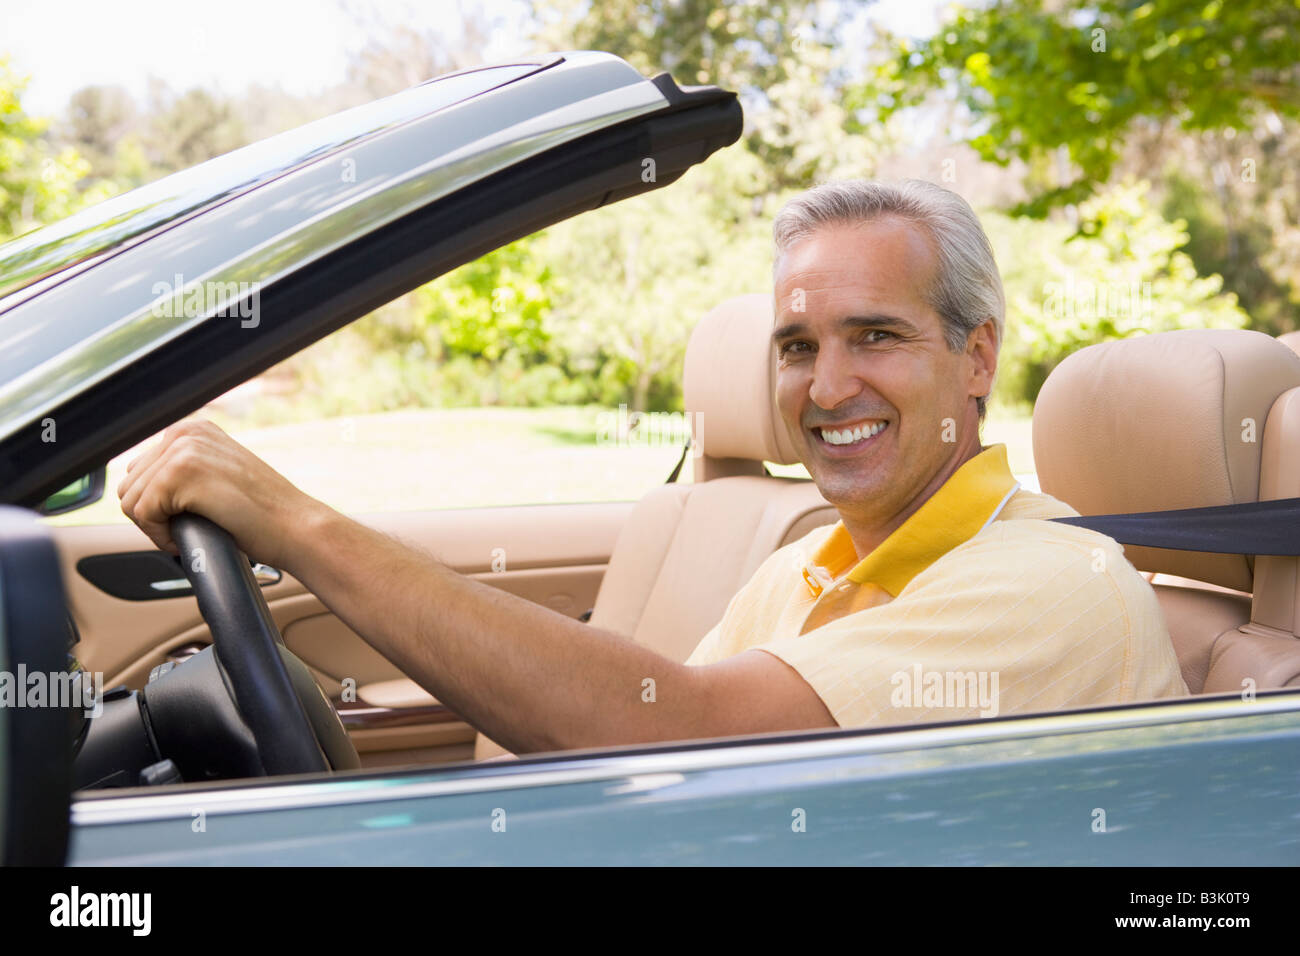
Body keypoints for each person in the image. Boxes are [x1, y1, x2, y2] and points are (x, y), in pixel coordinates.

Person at [117, 179, 1189, 756]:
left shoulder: (1052, 581)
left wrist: (295, 523)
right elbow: (645, 755)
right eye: (797, 347)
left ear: (976, 359)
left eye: (876, 336)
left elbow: (658, 723)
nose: (825, 389)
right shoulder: (803, 568)